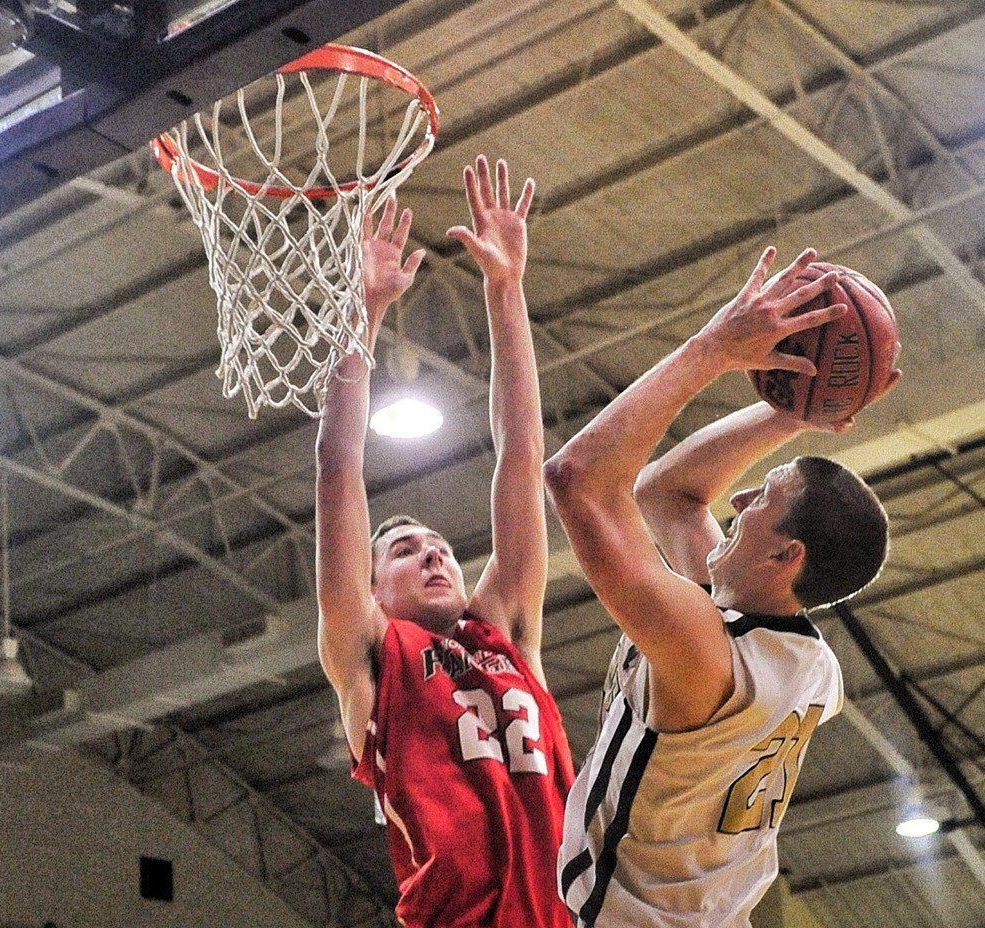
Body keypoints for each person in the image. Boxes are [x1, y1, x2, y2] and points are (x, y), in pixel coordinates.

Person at [543, 247, 900, 927]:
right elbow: (670, 497)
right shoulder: (803, 663)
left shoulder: (703, 655)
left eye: (761, 497)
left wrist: (713, 349)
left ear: (784, 554)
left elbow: (577, 480)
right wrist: (800, 412)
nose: (735, 498)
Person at [315, 156, 575, 928]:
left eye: (436, 545)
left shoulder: (506, 632)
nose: (431, 553)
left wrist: (506, 290)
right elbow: (337, 472)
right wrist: (360, 315)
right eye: (402, 550)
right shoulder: (368, 656)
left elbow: (522, 454)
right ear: (369, 590)